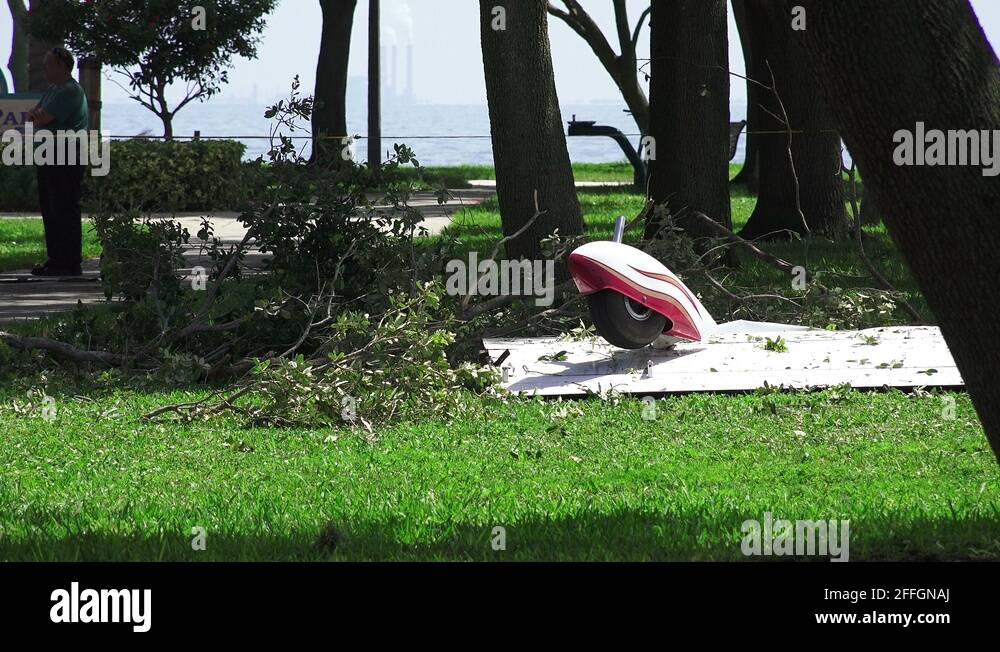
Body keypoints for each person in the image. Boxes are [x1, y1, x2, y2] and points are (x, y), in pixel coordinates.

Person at [27, 47, 89, 277]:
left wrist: (39, 116)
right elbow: (33, 115)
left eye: (49, 64)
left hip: (66, 155)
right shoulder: (53, 90)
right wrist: (38, 116)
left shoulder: (70, 91)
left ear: (63, 66)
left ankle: (70, 261)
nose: (44, 68)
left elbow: (45, 117)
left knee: (64, 207)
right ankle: (56, 259)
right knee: (50, 207)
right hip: (48, 154)